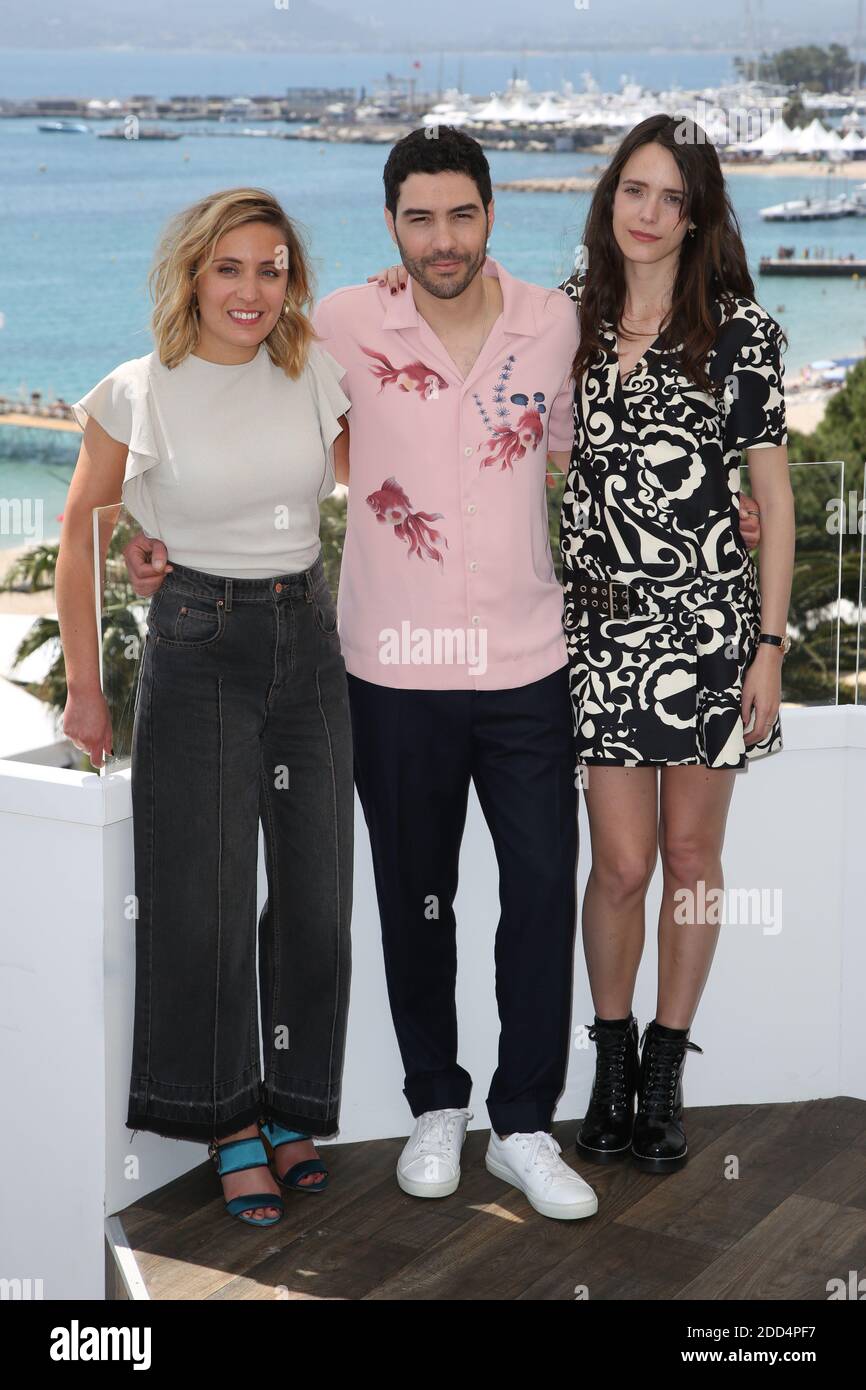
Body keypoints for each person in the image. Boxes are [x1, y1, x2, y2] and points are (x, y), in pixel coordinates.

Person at [128, 127, 600, 1222]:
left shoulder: (550, 322)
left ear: (492, 215)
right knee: (412, 900)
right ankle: (434, 1103)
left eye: (461, 214)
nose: (443, 239)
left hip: (531, 663)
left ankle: (523, 1124)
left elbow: (581, 450)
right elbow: (199, 380)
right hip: (388, 669)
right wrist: (138, 526)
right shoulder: (335, 323)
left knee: (537, 895)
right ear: (391, 224)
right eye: (419, 217)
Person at [56, 187, 355, 1227]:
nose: (250, 289)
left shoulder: (311, 369)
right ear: (191, 272)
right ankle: (227, 1120)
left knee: (317, 900)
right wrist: (85, 690)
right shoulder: (139, 391)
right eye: (230, 268)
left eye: (271, 268)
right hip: (196, 642)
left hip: (308, 642)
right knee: (207, 900)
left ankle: (292, 1104)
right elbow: (80, 537)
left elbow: (382, 483)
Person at [557, 114, 795, 1172]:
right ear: (608, 201)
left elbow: (773, 503)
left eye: (671, 199)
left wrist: (769, 646)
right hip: (602, 632)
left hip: (708, 630)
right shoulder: (564, 322)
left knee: (692, 858)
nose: (648, 215)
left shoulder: (737, 333)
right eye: (633, 192)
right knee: (619, 863)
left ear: (695, 219)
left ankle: (662, 1071)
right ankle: (606, 1065)